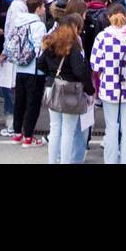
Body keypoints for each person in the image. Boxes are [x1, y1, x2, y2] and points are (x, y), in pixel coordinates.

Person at [90, 3, 126, 164]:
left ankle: (110, 161)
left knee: (111, 128)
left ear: (108, 18)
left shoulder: (102, 37)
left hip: (109, 87)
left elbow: (95, 65)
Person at [37, 13, 93, 164]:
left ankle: (51, 161)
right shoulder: (73, 46)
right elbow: (80, 71)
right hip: (70, 91)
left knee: (54, 129)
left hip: (53, 86)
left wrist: (52, 73)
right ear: (75, 28)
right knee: (68, 131)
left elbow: (40, 63)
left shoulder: (51, 42)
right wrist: (90, 90)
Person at [7, 0, 48, 148]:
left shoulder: (19, 22)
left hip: (20, 67)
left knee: (20, 101)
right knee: (33, 103)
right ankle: (29, 136)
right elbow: (40, 47)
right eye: (43, 6)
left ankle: (17, 133)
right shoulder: (38, 24)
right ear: (37, 8)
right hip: (35, 69)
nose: (44, 9)